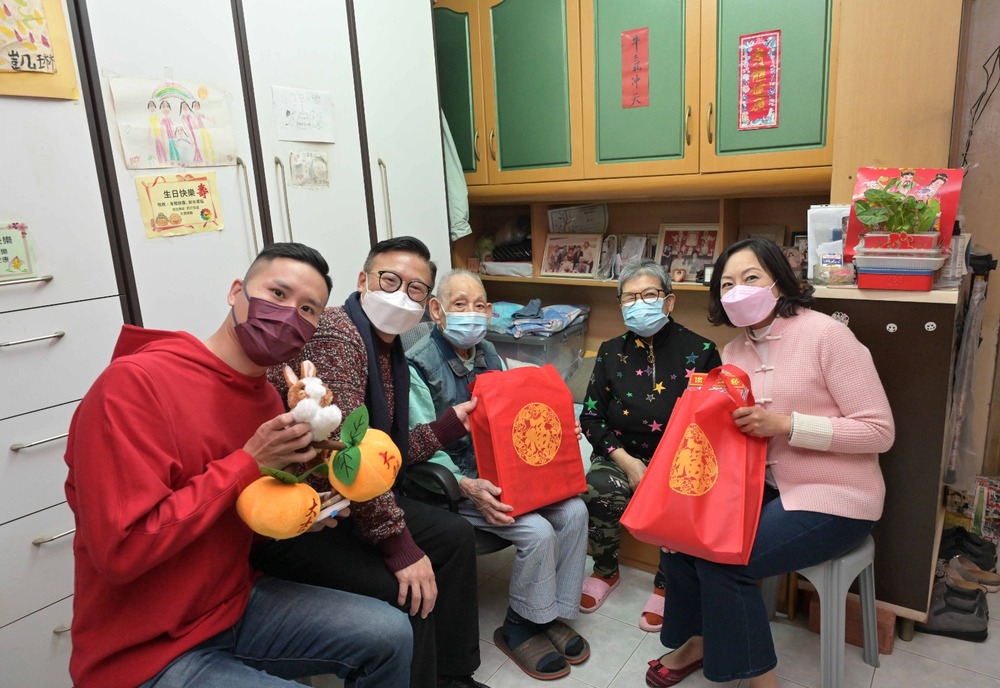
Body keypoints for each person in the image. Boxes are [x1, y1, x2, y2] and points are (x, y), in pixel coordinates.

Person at [64, 243, 412, 688]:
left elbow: (239, 509)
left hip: (230, 606)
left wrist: (300, 513)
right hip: (145, 649)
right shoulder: (135, 386)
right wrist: (248, 462)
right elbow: (122, 551)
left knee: (390, 634)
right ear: (235, 292)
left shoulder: (268, 402)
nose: (288, 315)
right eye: (277, 294)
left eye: (308, 309)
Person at [645, 238, 894, 687]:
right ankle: (699, 640)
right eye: (727, 284)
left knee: (726, 562)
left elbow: (880, 431)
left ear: (778, 281)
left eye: (751, 277)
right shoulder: (733, 354)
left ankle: (762, 681)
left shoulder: (827, 335)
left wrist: (786, 425)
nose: (738, 290)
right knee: (683, 541)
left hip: (837, 497)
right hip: (766, 490)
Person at [250, 237, 489, 688]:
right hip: (306, 514)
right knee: (407, 587)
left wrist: (447, 425)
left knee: (455, 536)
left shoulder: (389, 348)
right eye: (390, 280)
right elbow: (343, 452)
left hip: (350, 503)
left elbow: (383, 451)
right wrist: (399, 545)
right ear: (363, 281)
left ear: (426, 304)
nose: (402, 294)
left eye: (416, 289)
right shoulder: (340, 333)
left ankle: (453, 674)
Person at [407, 269, 590, 681]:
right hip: (458, 483)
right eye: (459, 305)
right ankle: (520, 625)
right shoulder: (418, 365)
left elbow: (522, 411)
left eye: (478, 306)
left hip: (506, 471)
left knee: (576, 510)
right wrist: (467, 486)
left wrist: (558, 428)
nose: (470, 314)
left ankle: (550, 614)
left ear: (489, 312)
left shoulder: (492, 354)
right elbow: (418, 445)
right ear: (436, 310)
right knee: (538, 531)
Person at [579, 259, 722, 632]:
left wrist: (660, 468)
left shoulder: (703, 351)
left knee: (680, 494)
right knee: (597, 488)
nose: (639, 303)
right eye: (630, 297)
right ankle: (606, 570)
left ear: (669, 301)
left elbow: (709, 425)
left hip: (677, 457)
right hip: (620, 452)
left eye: (649, 295)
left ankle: (666, 582)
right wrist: (627, 463)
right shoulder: (610, 353)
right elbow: (591, 418)